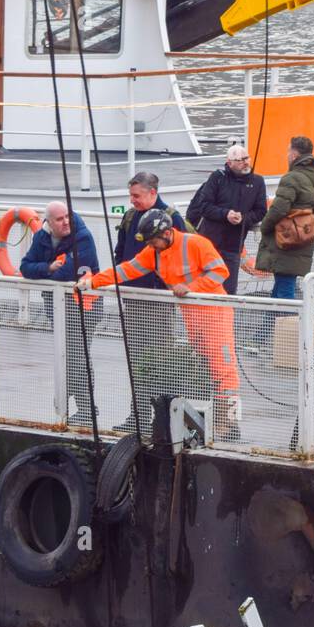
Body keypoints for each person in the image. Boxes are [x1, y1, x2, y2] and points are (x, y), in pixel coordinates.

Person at [78, 210, 241, 441]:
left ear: (167, 233)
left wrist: (192, 287)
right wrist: (93, 281)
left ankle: (231, 426)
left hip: (216, 316)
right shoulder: (153, 252)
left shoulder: (196, 243)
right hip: (193, 319)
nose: (152, 246)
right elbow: (125, 270)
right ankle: (212, 426)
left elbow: (220, 272)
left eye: (154, 240)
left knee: (225, 373)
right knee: (206, 371)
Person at [110, 172, 186, 432]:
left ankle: (162, 417)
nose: (133, 201)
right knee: (136, 358)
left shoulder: (172, 218)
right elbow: (121, 252)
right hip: (133, 299)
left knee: (159, 359)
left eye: (137, 196)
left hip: (159, 301)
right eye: (131, 196)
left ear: (152, 192)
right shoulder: (131, 217)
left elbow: (179, 254)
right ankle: (138, 414)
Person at [20, 201, 101, 426]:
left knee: (76, 356)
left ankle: (86, 409)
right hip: (57, 306)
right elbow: (25, 267)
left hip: (84, 306)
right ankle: (77, 406)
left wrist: (47, 270)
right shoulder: (42, 237)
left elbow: (67, 274)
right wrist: (48, 268)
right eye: (59, 219)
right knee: (68, 356)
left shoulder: (82, 237)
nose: (66, 222)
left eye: (67, 216)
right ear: (49, 222)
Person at [185, 145, 267, 295]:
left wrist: (243, 218)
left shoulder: (257, 181)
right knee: (206, 288)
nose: (246, 162)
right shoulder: (217, 177)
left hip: (234, 246)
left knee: (228, 292)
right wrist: (226, 214)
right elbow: (204, 206)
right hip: (210, 243)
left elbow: (261, 211)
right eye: (240, 160)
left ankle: (227, 318)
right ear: (229, 163)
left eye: (247, 158)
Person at [256, 135, 314, 301]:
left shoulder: (292, 177)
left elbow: (278, 209)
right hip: (304, 237)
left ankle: (289, 325)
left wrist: (264, 226)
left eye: (288, 151)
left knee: (285, 291)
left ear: (294, 155)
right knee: (281, 287)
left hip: (287, 240)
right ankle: (271, 326)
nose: (287, 155)